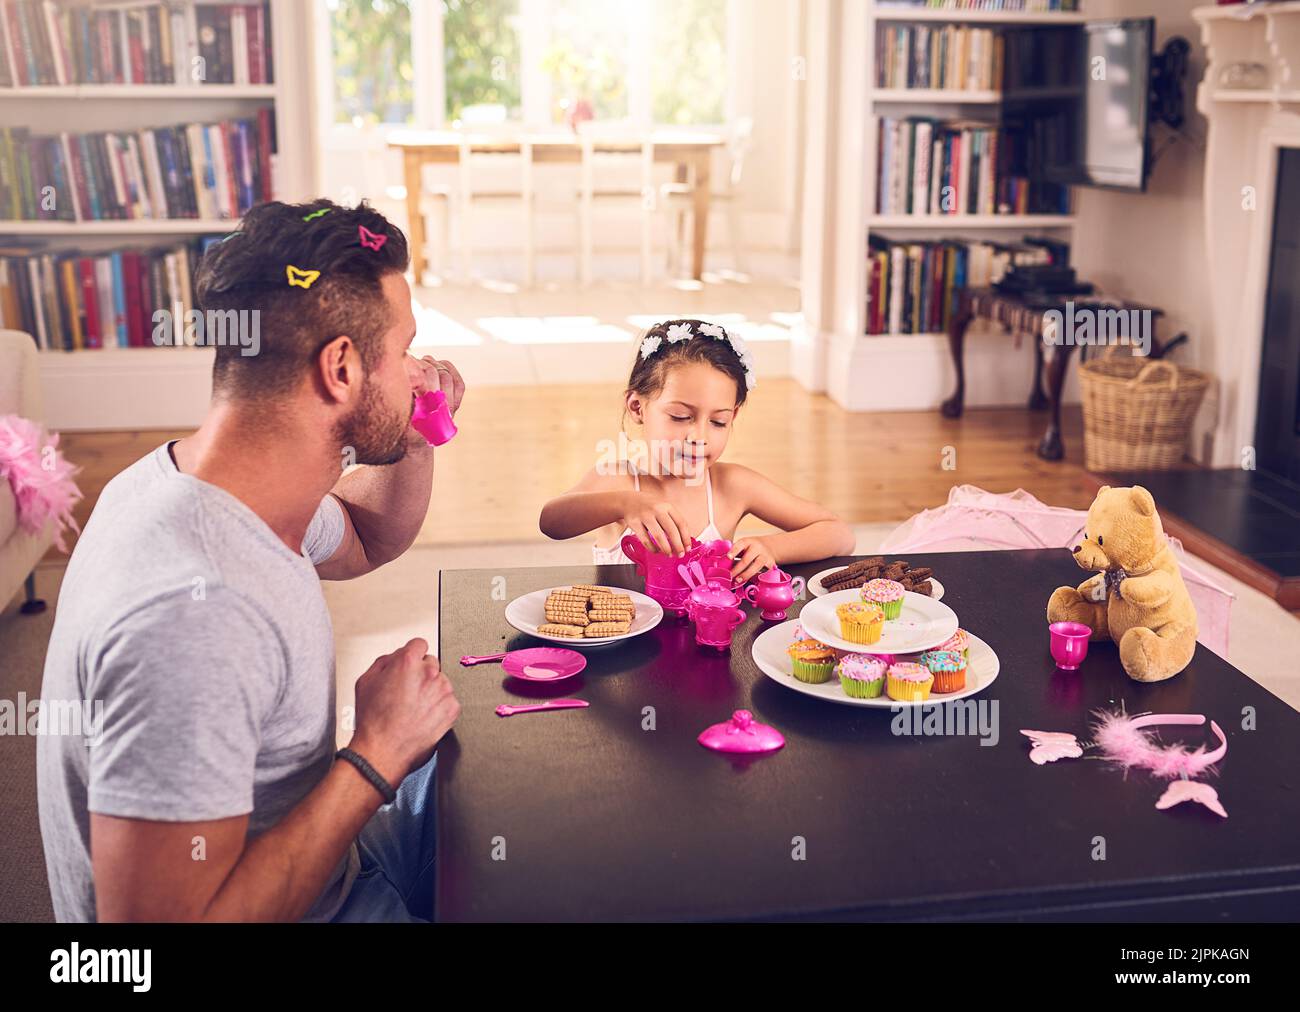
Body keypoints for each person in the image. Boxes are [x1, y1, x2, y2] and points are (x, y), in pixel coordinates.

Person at [37, 199, 461, 922]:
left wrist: (416, 430)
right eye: (405, 350)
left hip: (332, 863)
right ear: (341, 368)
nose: (419, 371)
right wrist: (375, 755)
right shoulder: (192, 616)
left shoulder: (199, 480)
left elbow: (368, 538)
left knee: (508, 780)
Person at [539, 319, 854, 584]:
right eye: (680, 417)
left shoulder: (731, 486)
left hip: (708, 647)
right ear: (638, 407)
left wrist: (771, 546)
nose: (699, 436)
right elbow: (551, 522)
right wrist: (624, 504)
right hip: (625, 651)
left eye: (718, 422)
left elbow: (839, 534)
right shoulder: (618, 481)